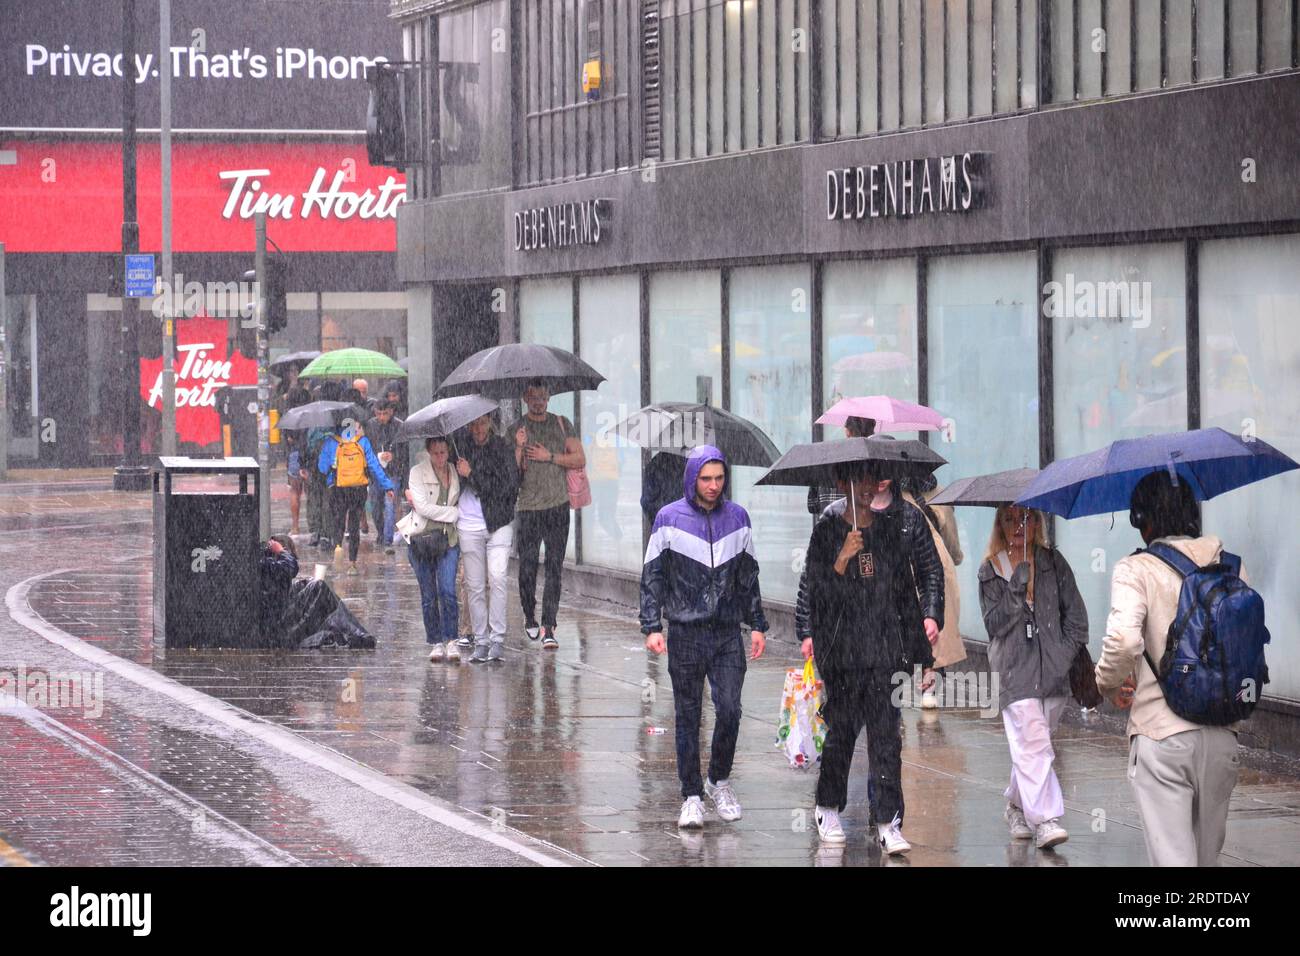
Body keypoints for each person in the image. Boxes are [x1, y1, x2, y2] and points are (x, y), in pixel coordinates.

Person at [1095, 472, 1250, 867]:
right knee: (1205, 860)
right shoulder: (1230, 567)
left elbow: (1125, 642)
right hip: (1222, 735)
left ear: (1141, 519)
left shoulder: (1137, 569)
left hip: (1162, 734)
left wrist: (1107, 685)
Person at [801, 462, 942, 854]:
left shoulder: (889, 534)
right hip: (844, 658)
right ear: (841, 483)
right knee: (842, 737)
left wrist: (924, 657)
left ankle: (887, 820)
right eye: (856, 479)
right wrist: (841, 560)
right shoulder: (827, 534)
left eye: (870, 479)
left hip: (884, 655)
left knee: (886, 741)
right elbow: (818, 598)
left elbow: (905, 598)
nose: (865, 487)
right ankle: (827, 806)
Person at [640, 445, 768, 830]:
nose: (713, 486)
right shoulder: (668, 518)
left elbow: (748, 577)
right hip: (685, 631)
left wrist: (758, 623)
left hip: (727, 632)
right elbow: (652, 576)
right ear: (692, 478)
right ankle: (691, 794)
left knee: (730, 709)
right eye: (706, 478)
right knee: (688, 715)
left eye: (719, 478)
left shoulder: (738, 518)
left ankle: (719, 780)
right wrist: (651, 626)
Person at [978, 504, 1088, 850]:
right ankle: (1046, 819)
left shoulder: (1053, 562)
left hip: (1054, 673)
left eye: (1025, 517)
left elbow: (1077, 618)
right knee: (1034, 744)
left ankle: (1015, 804)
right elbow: (993, 624)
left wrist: (1063, 653)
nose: (1018, 525)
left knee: (1032, 747)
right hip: (1014, 671)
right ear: (1000, 526)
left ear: (1036, 522)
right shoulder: (991, 570)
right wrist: (1015, 588)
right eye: (1009, 519)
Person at [514, 380, 585, 650]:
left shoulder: (562, 424)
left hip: (557, 507)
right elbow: (514, 473)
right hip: (528, 508)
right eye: (533, 397)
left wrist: (550, 457)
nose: (538, 402)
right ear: (525, 397)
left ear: (549, 398)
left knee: (555, 568)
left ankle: (549, 625)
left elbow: (579, 459)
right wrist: (520, 447)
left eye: (543, 397)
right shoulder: (516, 428)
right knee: (527, 568)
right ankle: (529, 614)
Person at [452, 414, 521, 663]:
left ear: (490, 423)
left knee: (498, 577)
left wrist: (472, 473)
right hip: (468, 525)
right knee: (474, 585)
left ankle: (498, 639)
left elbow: (508, 486)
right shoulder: (459, 446)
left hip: (498, 523)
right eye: (473, 423)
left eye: (482, 423)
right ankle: (480, 640)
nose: (478, 428)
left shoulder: (502, 447)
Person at [900, 473, 966, 707]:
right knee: (934, 627)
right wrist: (954, 556)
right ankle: (929, 688)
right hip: (936, 562)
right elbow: (949, 535)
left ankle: (895, 692)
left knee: (905, 630)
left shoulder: (883, 493)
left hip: (902, 566)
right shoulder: (937, 490)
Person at [259, 535, 376, 649]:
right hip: (276, 627)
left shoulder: (260, 561)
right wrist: (281, 552)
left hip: (276, 617)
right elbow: (290, 567)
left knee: (309, 584)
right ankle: (357, 634)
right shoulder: (262, 562)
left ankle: (353, 633)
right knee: (319, 587)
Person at [406, 436, 463, 662]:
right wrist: (453, 514)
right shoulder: (417, 472)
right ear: (429, 452)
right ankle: (435, 641)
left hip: (448, 539)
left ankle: (452, 639)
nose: (440, 457)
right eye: (436, 453)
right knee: (428, 595)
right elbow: (422, 507)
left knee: (448, 590)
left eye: (443, 452)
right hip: (422, 539)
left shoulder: (456, 470)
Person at [318, 415, 394, 574]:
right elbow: (373, 465)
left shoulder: (331, 442)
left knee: (338, 521)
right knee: (354, 523)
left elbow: (323, 468)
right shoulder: (362, 441)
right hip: (358, 488)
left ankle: (338, 552)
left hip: (338, 488)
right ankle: (352, 562)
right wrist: (387, 485)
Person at [806, 415, 876, 519]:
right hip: (863, 526)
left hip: (828, 529)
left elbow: (812, 506)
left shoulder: (826, 461)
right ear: (872, 433)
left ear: (847, 431)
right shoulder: (875, 464)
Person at [365, 400, 407, 554]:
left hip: (392, 472)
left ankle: (387, 539)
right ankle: (382, 533)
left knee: (390, 505)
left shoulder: (399, 426)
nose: (382, 417)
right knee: (375, 506)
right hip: (376, 472)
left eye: (385, 413)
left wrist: (394, 456)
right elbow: (366, 447)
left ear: (391, 411)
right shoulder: (371, 426)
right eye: (379, 414)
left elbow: (404, 450)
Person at [282, 386, 312, 536]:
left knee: (295, 491)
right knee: (311, 492)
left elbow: (288, 439)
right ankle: (313, 525)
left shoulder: (289, 416)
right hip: (311, 454)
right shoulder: (311, 415)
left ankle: (295, 527)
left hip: (294, 454)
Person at [641, 451, 686, 526]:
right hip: (687, 527)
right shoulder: (694, 463)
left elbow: (646, 501)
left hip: (665, 524)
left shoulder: (656, 462)